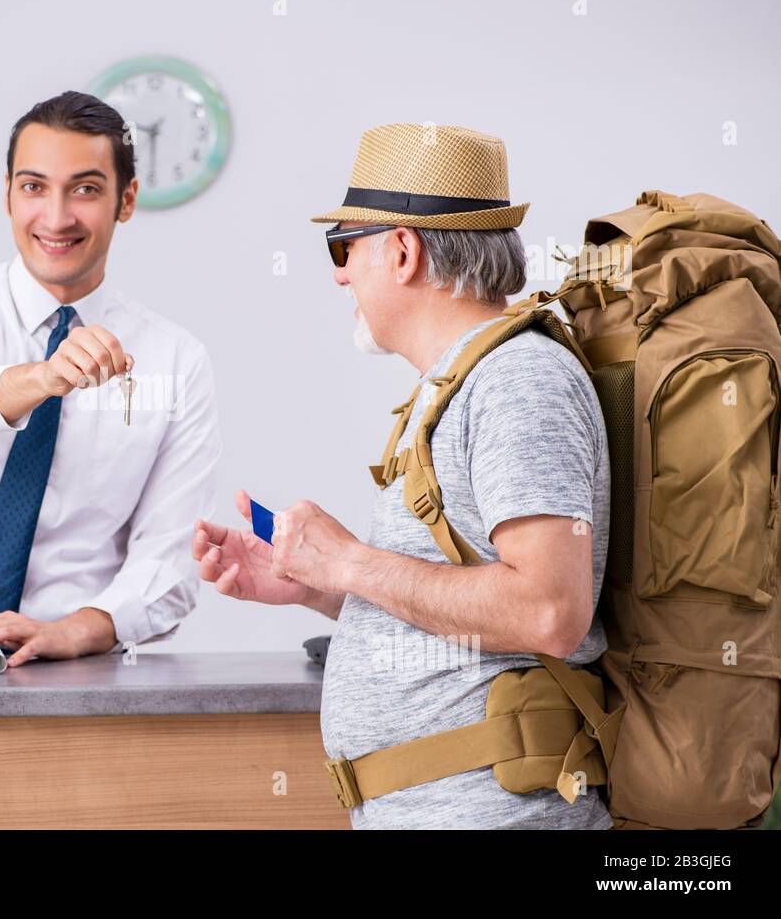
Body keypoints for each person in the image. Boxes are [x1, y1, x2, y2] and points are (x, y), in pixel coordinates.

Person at [193, 123, 613, 828]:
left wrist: (354, 563)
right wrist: (325, 587)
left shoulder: (517, 380)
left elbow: (549, 610)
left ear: (402, 249)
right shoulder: (458, 384)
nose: (338, 274)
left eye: (343, 248)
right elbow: (465, 607)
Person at [0, 91, 220, 668]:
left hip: (74, 664)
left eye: (85, 189)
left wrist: (81, 630)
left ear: (125, 200)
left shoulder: (176, 359)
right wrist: (44, 377)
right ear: (7, 194)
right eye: (34, 187)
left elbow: (170, 557)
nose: (57, 218)